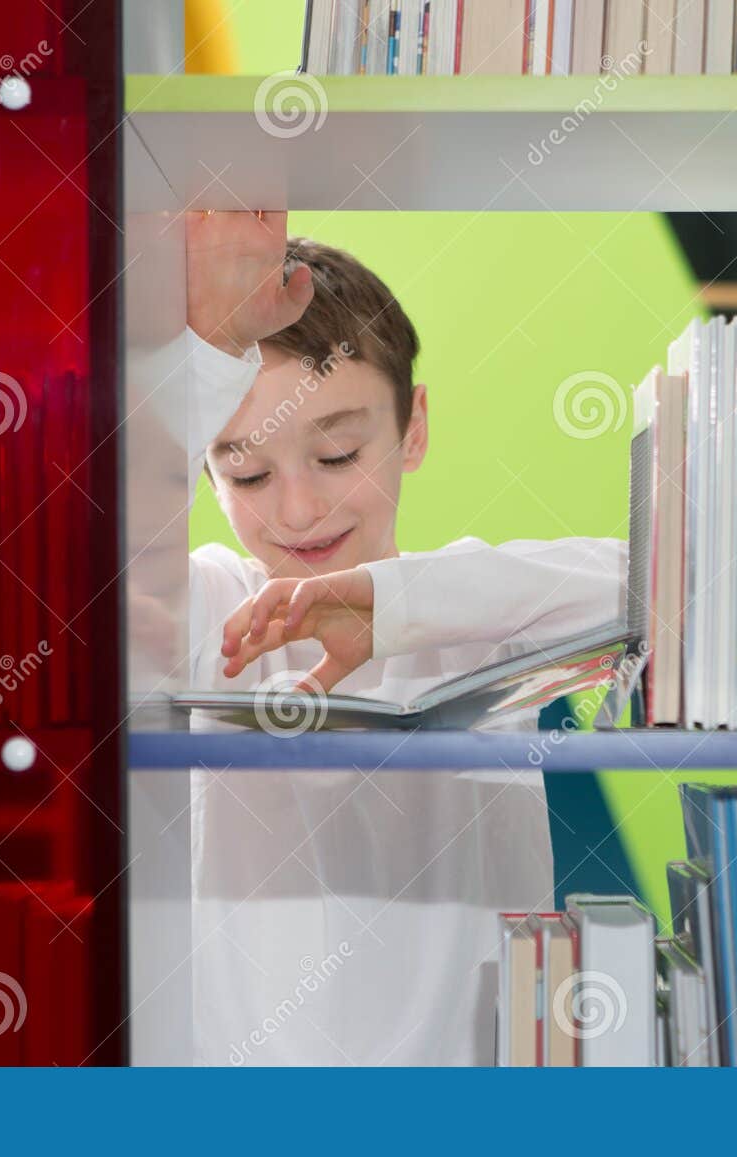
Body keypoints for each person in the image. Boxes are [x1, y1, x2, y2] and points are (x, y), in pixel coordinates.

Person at [139, 209, 626, 1064]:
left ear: (415, 428)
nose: (297, 510)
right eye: (245, 470)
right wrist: (207, 354)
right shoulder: (210, 602)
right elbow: (61, 563)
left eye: (337, 454)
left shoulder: (476, 612)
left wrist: (393, 604)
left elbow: (659, 579)